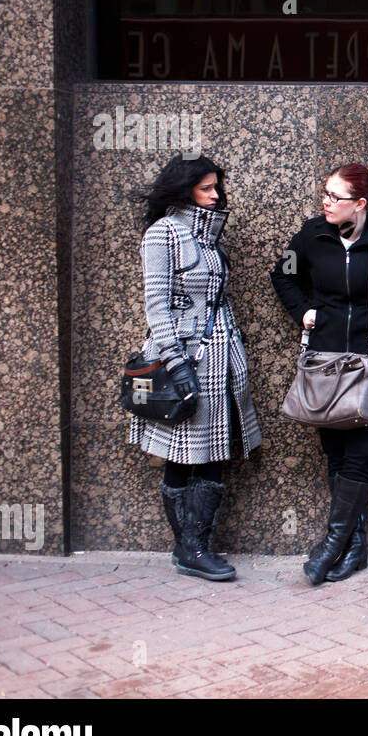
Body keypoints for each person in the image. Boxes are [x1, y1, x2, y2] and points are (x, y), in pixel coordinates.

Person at [270, 163, 368, 585]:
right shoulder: (310, 235)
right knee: (337, 456)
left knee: (360, 455)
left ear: (359, 204)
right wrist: (301, 310)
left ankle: (329, 546)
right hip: (326, 363)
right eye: (324, 192)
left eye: (335, 197)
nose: (326, 201)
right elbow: (281, 275)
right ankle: (355, 546)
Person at [130, 153, 262, 581]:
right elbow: (157, 308)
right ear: (185, 188)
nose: (216, 194)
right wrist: (176, 362)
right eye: (207, 188)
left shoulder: (208, 237)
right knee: (182, 454)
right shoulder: (162, 234)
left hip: (219, 358)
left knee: (211, 454)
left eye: (216, 187)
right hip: (185, 359)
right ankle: (190, 549)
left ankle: (196, 546)